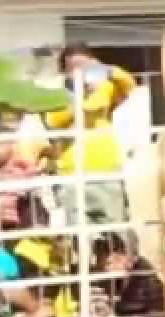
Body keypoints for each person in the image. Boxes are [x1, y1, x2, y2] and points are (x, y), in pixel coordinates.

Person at [45, 43, 136, 226]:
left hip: (106, 169)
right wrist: (80, 98)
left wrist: (106, 70)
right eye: (73, 68)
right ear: (64, 71)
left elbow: (129, 84)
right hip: (72, 172)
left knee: (114, 227)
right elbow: (53, 121)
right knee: (78, 233)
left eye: (85, 67)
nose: (80, 73)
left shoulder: (105, 88)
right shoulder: (56, 95)